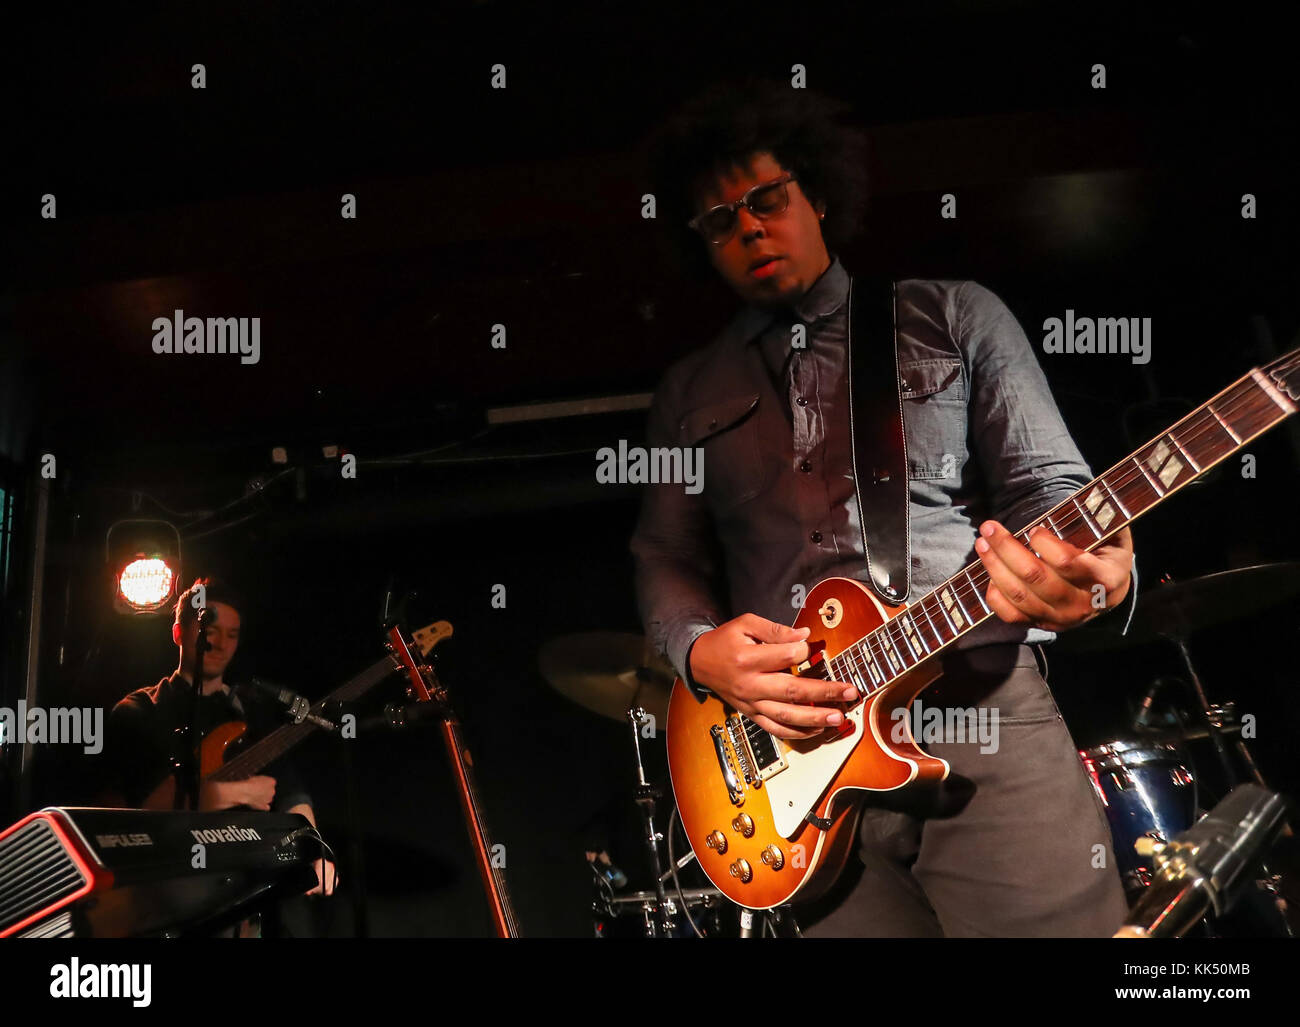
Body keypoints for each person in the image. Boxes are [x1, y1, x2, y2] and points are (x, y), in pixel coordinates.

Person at [631, 79, 1138, 937]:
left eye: (767, 200)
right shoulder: (687, 391)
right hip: (796, 765)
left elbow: (1052, 490)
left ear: (817, 195)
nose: (749, 227)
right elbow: (663, 556)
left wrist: (1091, 574)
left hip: (979, 708)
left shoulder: (952, 314)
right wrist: (699, 654)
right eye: (719, 221)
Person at [103, 578, 338, 901]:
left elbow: (292, 793)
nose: (220, 644)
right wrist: (236, 792)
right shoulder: (140, 710)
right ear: (178, 633)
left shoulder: (251, 713)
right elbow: (148, 809)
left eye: (232, 635)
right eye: (209, 631)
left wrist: (315, 854)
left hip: (243, 892)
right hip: (163, 891)